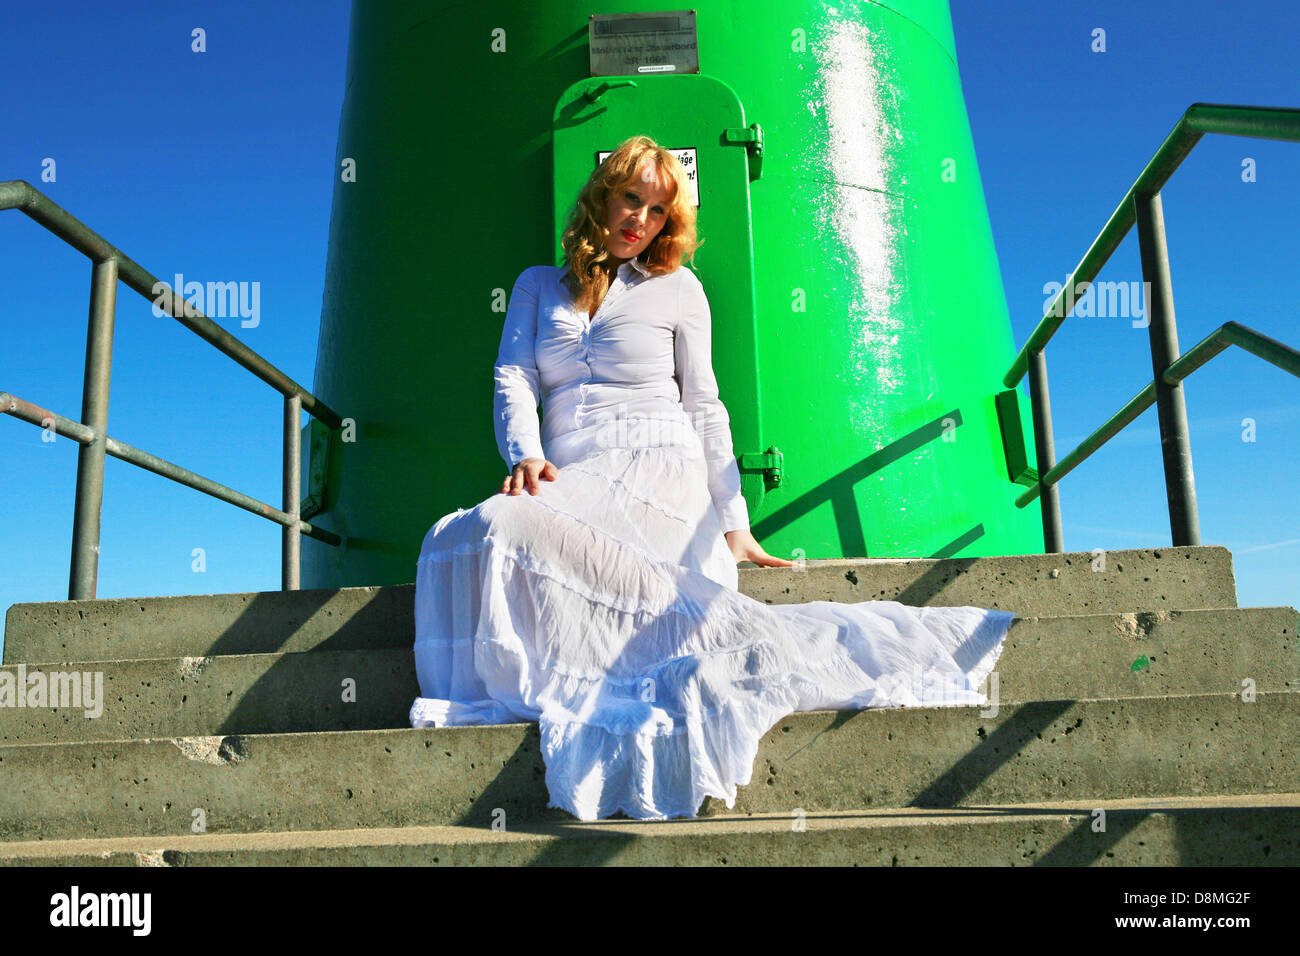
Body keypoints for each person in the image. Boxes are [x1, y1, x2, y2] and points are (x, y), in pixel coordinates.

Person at [410, 134, 1015, 822]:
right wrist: (522, 450)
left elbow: (704, 405)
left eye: (659, 211)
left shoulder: (678, 289)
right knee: (458, 535)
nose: (641, 218)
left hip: (657, 470)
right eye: (631, 198)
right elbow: (514, 377)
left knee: (499, 526)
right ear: (601, 194)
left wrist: (734, 522)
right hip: (571, 474)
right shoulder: (535, 286)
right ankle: (523, 676)